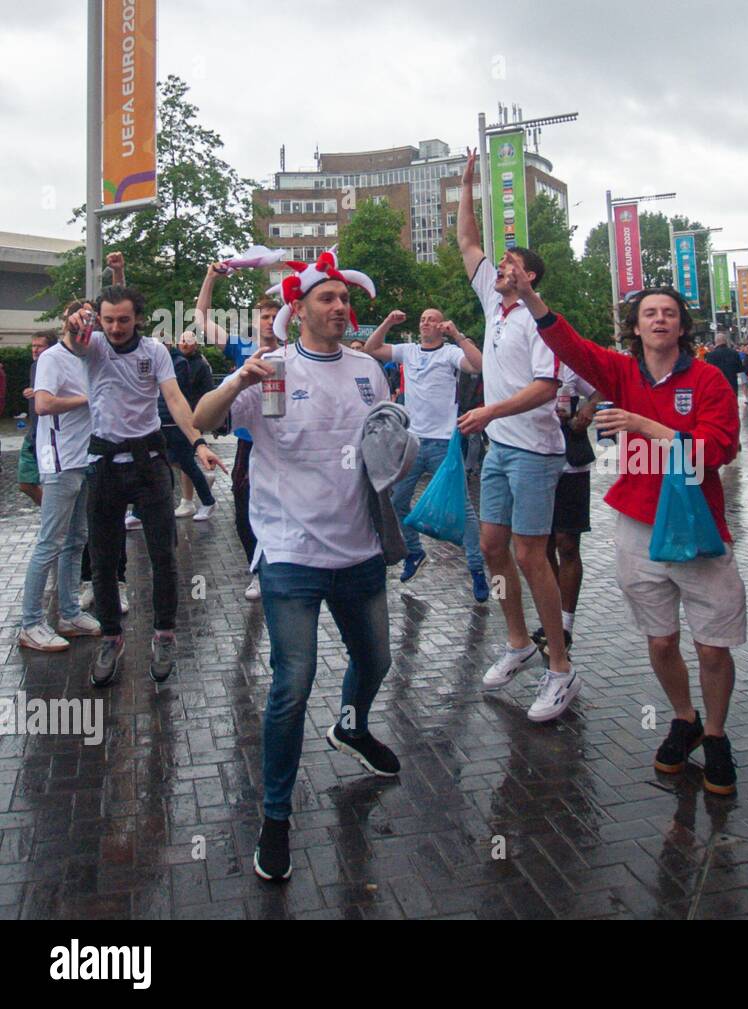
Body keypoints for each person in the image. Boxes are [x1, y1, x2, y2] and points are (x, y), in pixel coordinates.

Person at [193, 248, 400, 883]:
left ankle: (351, 726)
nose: (341, 307)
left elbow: (384, 442)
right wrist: (236, 383)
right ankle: (275, 819)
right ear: (299, 309)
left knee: (377, 662)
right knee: (291, 685)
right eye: (328, 299)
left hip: (360, 547)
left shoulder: (370, 369)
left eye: (345, 298)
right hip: (290, 553)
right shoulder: (273, 371)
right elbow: (199, 423)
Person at [511, 268, 746, 795]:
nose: (660, 319)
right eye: (649, 313)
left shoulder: (708, 380)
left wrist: (647, 428)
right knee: (661, 641)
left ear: (683, 326)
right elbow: (569, 345)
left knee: (712, 647)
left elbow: (717, 451)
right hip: (638, 526)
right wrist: (528, 295)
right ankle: (684, 718)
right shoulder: (620, 373)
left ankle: (717, 734)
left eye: (669, 312)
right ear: (635, 328)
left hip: (698, 527)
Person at [454, 148, 576, 722]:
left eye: (510, 265)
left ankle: (560, 670)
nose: (498, 267)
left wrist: (491, 411)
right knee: (492, 548)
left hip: (534, 451)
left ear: (529, 276)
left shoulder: (539, 321)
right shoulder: (492, 304)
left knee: (531, 555)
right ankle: (517, 643)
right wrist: (467, 184)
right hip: (501, 446)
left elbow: (547, 389)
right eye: (500, 265)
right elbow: (466, 243)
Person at [64, 286, 224, 687]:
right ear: (98, 320)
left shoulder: (154, 351)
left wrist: (198, 443)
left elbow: (173, 398)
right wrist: (71, 327)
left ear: (136, 318)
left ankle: (164, 634)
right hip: (103, 465)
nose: (115, 327)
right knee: (102, 560)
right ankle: (111, 637)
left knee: (163, 556)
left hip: (150, 464)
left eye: (123, 319)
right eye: (108, 319)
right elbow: (73, 340)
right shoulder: (93, 345)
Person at [361, 307, 489, 599]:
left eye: (431, 319)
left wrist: (457, 335)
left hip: (444, 442)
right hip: (413, 443)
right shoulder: (408, 351)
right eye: (422, 319)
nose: (425, 323)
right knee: (397, 502)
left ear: (441, 325)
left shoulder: (449, 354)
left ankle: (477, 570)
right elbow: (372, 348)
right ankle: (414, 552)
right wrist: (387, 321)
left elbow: (479, 365)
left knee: (464, 509)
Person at [18, 308, 103, 651]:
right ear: (71, 328)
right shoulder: (52, 358)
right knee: (49, 542)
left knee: (76, 538)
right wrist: (87, 399)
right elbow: (43, 404)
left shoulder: (88, 356)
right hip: (59, 461)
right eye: (84, 331)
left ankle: (69, 613)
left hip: (83, 457)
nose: (89, 339)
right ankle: (31, 623)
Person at [198, 263, 284, 600]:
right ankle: (257, 569)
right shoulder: (241, 346)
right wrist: (210, 278)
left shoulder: (297, 350)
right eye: (263, 316)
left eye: (274, 315)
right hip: (251, 443)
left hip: (287, 442)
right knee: (243, 504)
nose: (268, 322)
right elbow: (202, 319)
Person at [533, 370, 599, 660]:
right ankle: (552, 621)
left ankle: (566, 625)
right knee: (541, 545)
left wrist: (587, 408)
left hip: (570, 460)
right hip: (533, 458)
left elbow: (600, 388)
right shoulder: (518, 359)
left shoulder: (568, 362)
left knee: (567, 543)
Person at [160, 332, 218, 522]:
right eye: (183, 340)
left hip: (187, 419)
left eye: (189, 341)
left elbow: (202, 393)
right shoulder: (170, 361)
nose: (185, 343)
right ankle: (190, 499)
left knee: (185, 462)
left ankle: (203, 500)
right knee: (175, 461)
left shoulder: (193, 364)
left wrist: (203, 417)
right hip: (168, 420)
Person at [17, 331, 55, 507]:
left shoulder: (56, 365)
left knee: (52, 483)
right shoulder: (34, 367)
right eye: (33, 346)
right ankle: (50, 511)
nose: (35, 350)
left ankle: (56, 516)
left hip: (49, 435)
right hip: (33, 432)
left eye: (39, 346)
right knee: (25, 483)